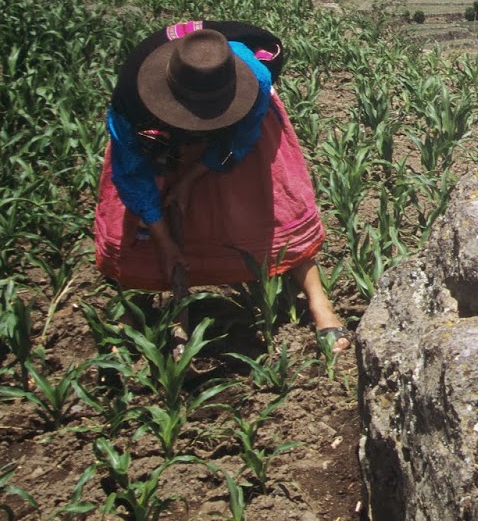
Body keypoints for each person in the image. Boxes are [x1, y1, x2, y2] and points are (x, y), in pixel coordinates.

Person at [93, 20, 350, 356]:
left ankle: (319, 304)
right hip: (159, 141)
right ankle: (133, 306)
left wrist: (193, 175)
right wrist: (167, 243)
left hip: (233, 136)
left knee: (273, 206)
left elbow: (244, 137)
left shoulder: (254, 77)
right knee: (140, 227)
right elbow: (133, 177)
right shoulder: (132, 99)